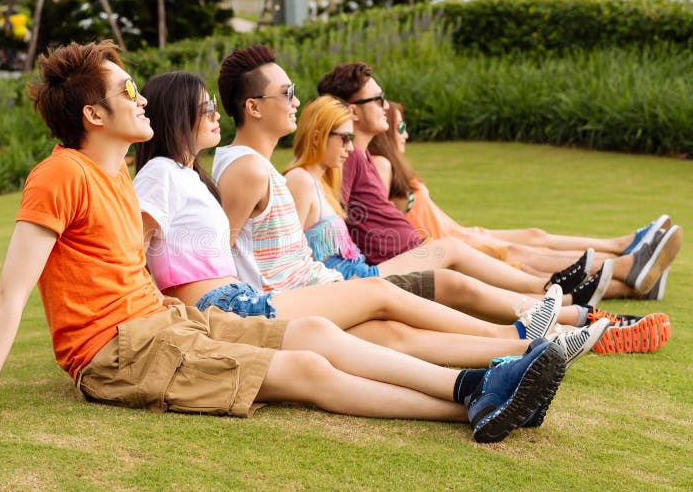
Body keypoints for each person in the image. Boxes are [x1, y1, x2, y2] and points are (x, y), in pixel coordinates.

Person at [0, 41, 568, 444]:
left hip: (163, 322)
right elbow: (12, 292)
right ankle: (475, 400)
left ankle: (483, 376)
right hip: (114, 352)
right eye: (125, 90)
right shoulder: (60, 174)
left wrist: (189, 311)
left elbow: (141, 266)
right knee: (309, 369)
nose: (140, 95)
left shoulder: (116, 172)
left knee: (319, 336)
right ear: (93, 115)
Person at [132, 71, 607, 368]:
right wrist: (165, 317)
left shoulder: (206, 174)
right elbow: (210, 252)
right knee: (417, 280)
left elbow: (221, 250)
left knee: (396, 332)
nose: (295, 100)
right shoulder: (228, 171)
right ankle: (531, 328)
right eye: (287, 92)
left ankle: (540, 340)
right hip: (274, 296)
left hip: (288, 290)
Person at [286, 95, 670, 355]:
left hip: (359, 276)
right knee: (455, 261)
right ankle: (574, 310)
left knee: (461, 276)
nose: (352, 147)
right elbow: (282, 259)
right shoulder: (300, 181)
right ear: (319, 135)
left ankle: (576, 314)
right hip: (353, 280)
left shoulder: (323, 181)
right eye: (345, 138)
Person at [316, 61, 683, 302]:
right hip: (409, 257)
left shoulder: (360, 157)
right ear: (351, 109)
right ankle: (617, 271)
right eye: (377, 98)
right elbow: (338, 217)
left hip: (424, 248)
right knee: (520, 261)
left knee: (523, 255)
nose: (385, 104)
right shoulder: (349, 162)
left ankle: (623, 274)